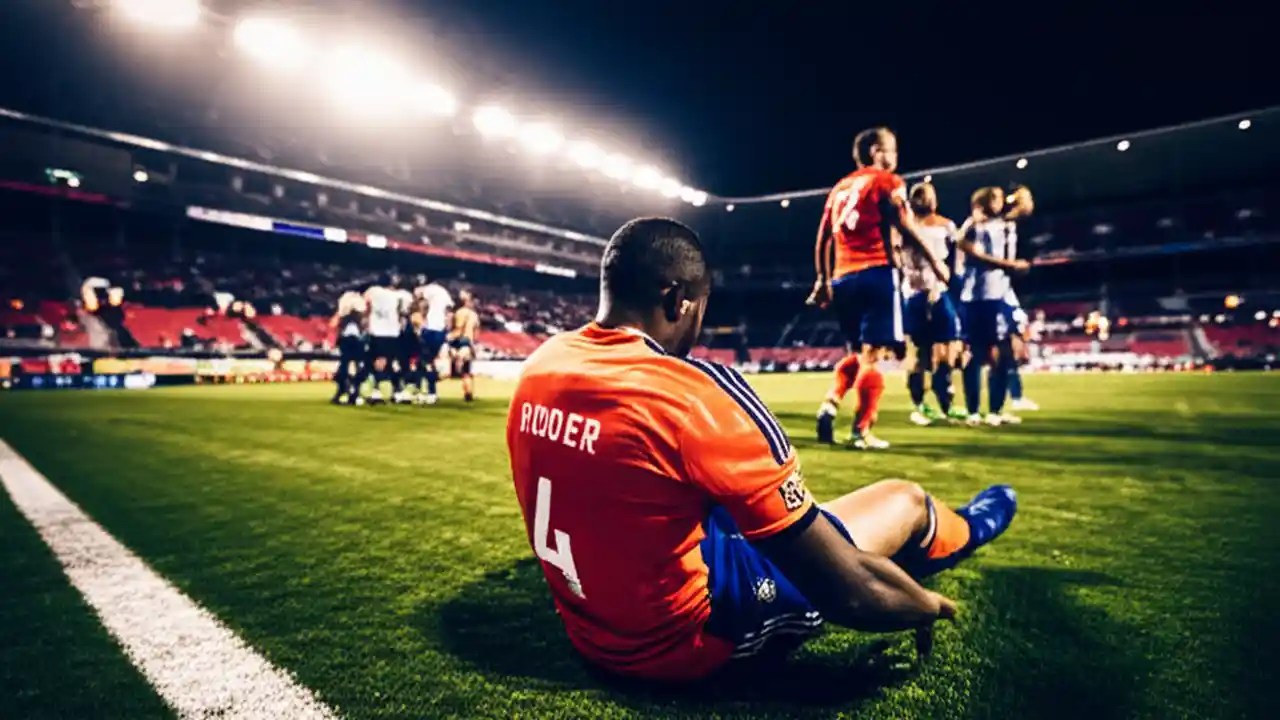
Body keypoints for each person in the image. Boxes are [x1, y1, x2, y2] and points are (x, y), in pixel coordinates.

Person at [507, 217, 1016, 683]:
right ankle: (979, 521)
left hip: (588, 626)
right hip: (685, 641)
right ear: (678, 299)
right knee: (904, 501)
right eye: (701, 307)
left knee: (722, 503)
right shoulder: (693, 393)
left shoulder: (542, 364)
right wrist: (922, 604)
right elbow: (849, 591)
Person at [809, 128, 950, 449]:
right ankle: (862, 431)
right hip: (875, 273)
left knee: (857, 354)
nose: (894, 157)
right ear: (876, 152)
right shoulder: (887, 181)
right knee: (873, 358)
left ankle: (831, 402)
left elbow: (822, 240)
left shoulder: (840, 189)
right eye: (891, 150)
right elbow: (905, 224)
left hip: (842, 278)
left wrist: (821, 280)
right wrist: (934, 261)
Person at [957, 186, 1033, 426]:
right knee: (977, 353)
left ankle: (993, 411)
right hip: (977, 296)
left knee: (1001, 352)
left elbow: (1025, 209)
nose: (1000, 201)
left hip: (997, 294)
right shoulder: (973, 226)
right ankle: (974, 411)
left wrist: (1023, 197)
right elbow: (962, 244)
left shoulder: (1006, 225)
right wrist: (1008, 264)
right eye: (995, 198)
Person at [901, 182, 966, 426]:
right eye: (919, 196)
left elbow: (956, 259)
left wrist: (953, 284)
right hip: (914, 294)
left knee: (947, 351)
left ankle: (946, 401)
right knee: (917, 353)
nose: (924, 200)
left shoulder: (946, 225)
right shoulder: (904, 227)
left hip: (940, 292)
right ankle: (919, 405)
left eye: (927, 195)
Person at [363, 273, 404, 405]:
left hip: (378, 331)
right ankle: (397, 391)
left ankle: (376, 391)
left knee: (378, 361)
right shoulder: (397, 295)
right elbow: (400, 312)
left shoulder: (373, 291)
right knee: (392, 362)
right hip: (393, 332)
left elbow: (365, 305)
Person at [413, 277, 454, 405]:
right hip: (440, 331)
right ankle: (428, 391)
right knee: (427, 362)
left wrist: (422, 319)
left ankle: (427, 391)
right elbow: (449, 314)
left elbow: (420, 301)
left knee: (425, 362)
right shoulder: (445, 294)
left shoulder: (428, 290)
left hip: (430, 329)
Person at [329, 290, 367, 405]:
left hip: (347, 340)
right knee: (356, 366)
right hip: (356, 340)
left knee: (345, 366)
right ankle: (354, 392)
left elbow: (333, 324)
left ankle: (345, 391)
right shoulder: (357, 319)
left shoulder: (346, 319)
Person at [448, 289, 480, 402]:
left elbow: (458, 329)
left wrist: (448, 339)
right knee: (467, 371)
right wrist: (473, 346)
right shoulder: (475, 315)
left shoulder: (460, 312)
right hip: (469, 343)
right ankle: (468, 393)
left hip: (461, 342)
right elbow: (476, 333)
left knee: (458, 370)